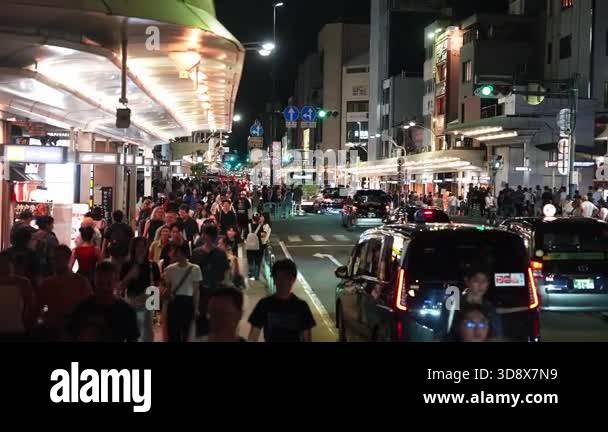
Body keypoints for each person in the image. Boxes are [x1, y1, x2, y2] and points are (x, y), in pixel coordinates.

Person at [66, 261, 139, 342]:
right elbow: (71, 335)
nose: (105, 288)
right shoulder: (82, 308)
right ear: (94, 282)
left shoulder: (126, 311)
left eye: (109, 284)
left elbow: (132, 339)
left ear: (115, 282)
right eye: (100, 284)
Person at [248, 259, 316, 342]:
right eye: (279, 278)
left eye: (287, 278)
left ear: (293, 280)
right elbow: (253, 336)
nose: (283, 282)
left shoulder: (302, 307)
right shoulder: (264, 304)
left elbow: (307, 337)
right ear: (274, 279)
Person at [38, 245, 92, 340]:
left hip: (74, 328)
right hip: (53, 329)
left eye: (58, 258)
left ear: (67, 259)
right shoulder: (47, 283)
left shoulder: (81, 282)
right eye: (54, 258)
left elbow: (89, 307)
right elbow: (38, 307)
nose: (55, 261)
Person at [191, 224, 230, 337]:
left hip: (215, 293)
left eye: (208, 235)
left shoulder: (220, 254)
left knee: (215, 327)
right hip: (201, 294)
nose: (207, 237)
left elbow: (226, 275)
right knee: (202, 327)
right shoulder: (196, 253)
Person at [120, 237, 161, 342]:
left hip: (148, 304)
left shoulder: (153, 265)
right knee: (132, 334)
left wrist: (155, 307)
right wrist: (130, 274)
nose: (141, 249)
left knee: (147, 335)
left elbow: (157, 285)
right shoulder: (127, 265)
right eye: (138, 246)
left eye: (144, 246)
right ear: (133, 248)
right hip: (131, 302)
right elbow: (121, 287)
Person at [163, 244, 202, 342]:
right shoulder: (169, 269)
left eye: (178, 252)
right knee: (173, 333)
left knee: (186, 332)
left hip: (187, 302)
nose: (176, 255)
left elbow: (196, 290)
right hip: (174, 302)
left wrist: (196, 308)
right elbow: (168, 289)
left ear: (185, 253)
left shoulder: (195, 268)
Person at [0, 251, 36, 341]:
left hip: (17, 329)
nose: (3, 265)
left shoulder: (23, 282)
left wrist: (27, 323)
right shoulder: (22, 282)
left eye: (6, 262)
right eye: (1, 262)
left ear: (12, 264)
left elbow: (31, 306)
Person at [459, 269, 502, 338]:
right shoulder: (455, 306)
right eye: (476, 281)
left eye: (484, 281)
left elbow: (497, 335)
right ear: (467, 281)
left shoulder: (490, 309)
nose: (481, 285)